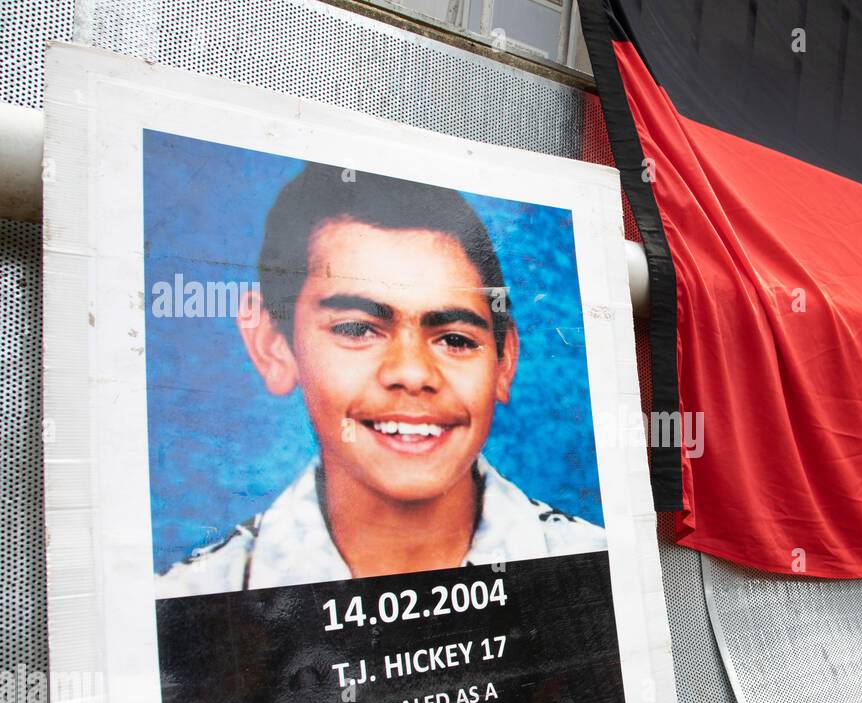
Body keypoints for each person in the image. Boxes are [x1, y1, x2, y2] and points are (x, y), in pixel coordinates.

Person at [156, 163, 604, 597]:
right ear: (274, 344)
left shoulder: (598, 572)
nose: (411, 373)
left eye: (454, 339)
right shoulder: (191, 601)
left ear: (504, 361)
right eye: (356, 329)